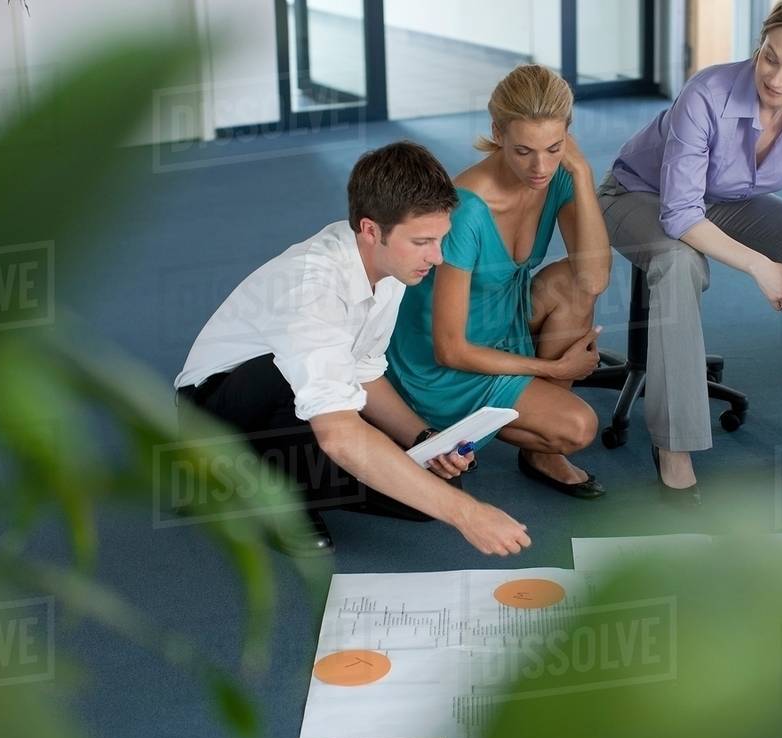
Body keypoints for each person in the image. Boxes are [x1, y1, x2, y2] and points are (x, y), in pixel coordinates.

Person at [174, 141, 531, 558]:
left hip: (297, 399)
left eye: (440, 239)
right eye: (422, 242)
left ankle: (270, 475)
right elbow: (340, 433)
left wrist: (425, 438)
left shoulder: (393, 267)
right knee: (295, 388)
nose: (436, 258)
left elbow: (364, 371)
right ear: (370, 229)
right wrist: (468, 515)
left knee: (431, 490)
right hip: (220, 409)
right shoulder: (312, 288)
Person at [599, 0, 782, 504]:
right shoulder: (706, 93)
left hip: (729, 201)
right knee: (678, 260)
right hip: (641, 195)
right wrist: (760, 267)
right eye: (769, 56)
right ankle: (674, 446)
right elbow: (682, 215)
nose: (776, 78)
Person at [386, 65, 612, 499]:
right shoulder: (466, 208)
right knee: (578, 426)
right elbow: (450, 348)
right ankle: (437, 422)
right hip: (446, 358)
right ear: (497, 132)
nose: (540, 166)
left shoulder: (559, 175)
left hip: (504, 320)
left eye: (554, 147)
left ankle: (538, 444)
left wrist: (582, 174)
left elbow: (594, 277)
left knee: (574, 282)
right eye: (524, 150)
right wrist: (554, 370)